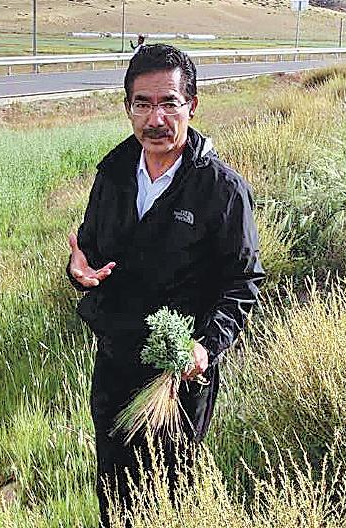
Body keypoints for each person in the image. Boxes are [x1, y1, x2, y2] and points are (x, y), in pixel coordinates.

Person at [67, 44, 265, 526]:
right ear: (127, 107)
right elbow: (88, 250)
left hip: (178, 375)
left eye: (169, 103)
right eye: (142, 103)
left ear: (192, 106)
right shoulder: (112, 175)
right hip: (115, 361)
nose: (156, 119)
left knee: (169, 492)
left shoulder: (220, 189)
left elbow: (243, 282)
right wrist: (79, 271)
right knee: (113, 488)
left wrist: (206, 347)